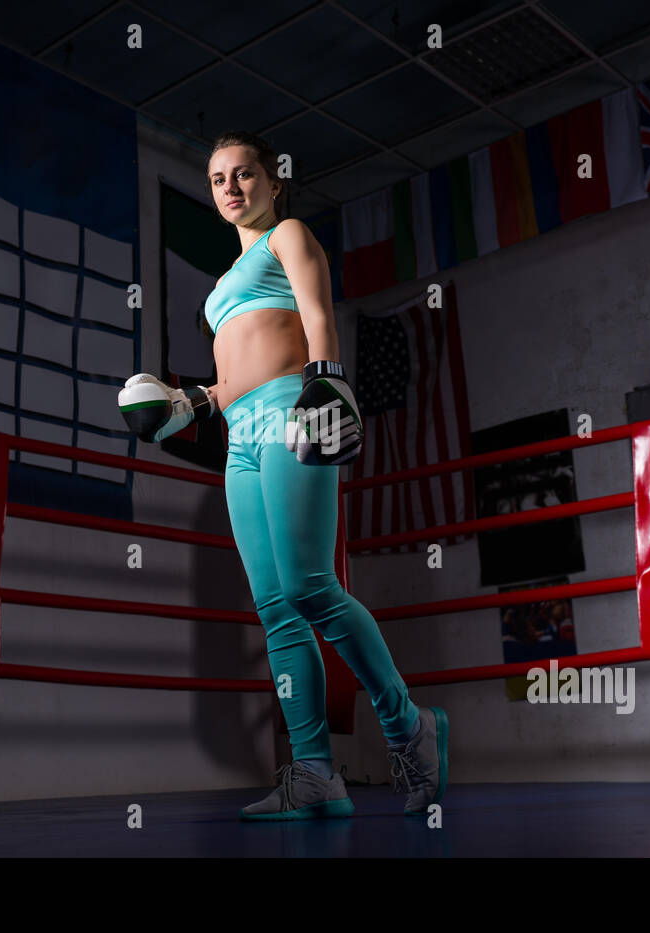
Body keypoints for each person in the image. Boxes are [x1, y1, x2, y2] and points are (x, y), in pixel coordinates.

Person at [118, 130, 448, 820]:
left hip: (293, 411)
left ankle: (407, 727)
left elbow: (318, 318)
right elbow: (233, 374)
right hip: (239, 434)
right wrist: (189, 404)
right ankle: (314, 773)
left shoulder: (287, 236)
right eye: (218, 179)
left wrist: (326, 390)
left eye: (244, 175)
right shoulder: (217, 293)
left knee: (309, 585)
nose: (231, 188)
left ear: (273, 183)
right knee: (275, 608)